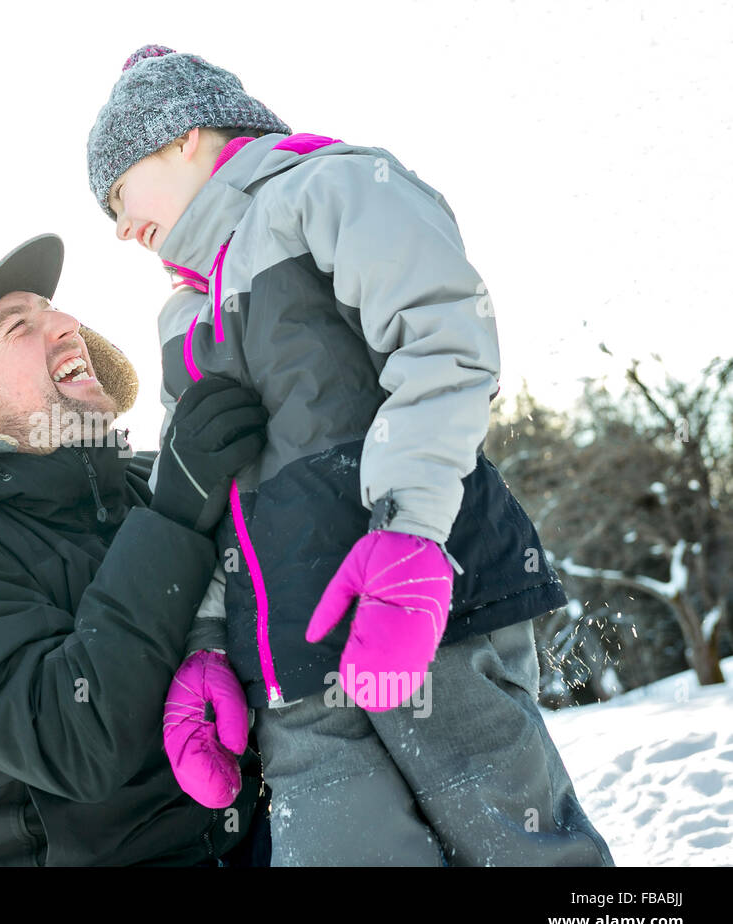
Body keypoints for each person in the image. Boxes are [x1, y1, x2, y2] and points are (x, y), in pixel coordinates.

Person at [84, 44, 615, 866]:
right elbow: (206, 499)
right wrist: (204, 646)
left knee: (521, 851)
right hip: (290, 677)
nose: (120, 228)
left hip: (424, 616)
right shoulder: (181, 318)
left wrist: (408, 535)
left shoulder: (330, 189)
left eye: (118, 193)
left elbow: (444, 344)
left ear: (180, 136)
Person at [0, 233, 271, 865]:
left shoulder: (142, 488)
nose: (67, 323)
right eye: (16, 325)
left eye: (52, 308)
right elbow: (79, 741)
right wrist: (176, 518)